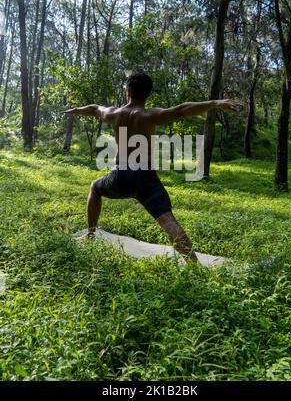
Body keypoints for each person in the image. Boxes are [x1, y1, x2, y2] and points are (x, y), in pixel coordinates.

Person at [65, 73, 242, 263]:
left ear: (128, 91)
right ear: (148, 94)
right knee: (167, 220)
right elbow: (182, 109)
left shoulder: (113, 114)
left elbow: (93, 109)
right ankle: (194, 264)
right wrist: (215, 103)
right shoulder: (150, 115)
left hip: (120, 176)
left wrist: (76, 110)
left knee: (95, 188)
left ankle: (90, 235)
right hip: (144, 177)